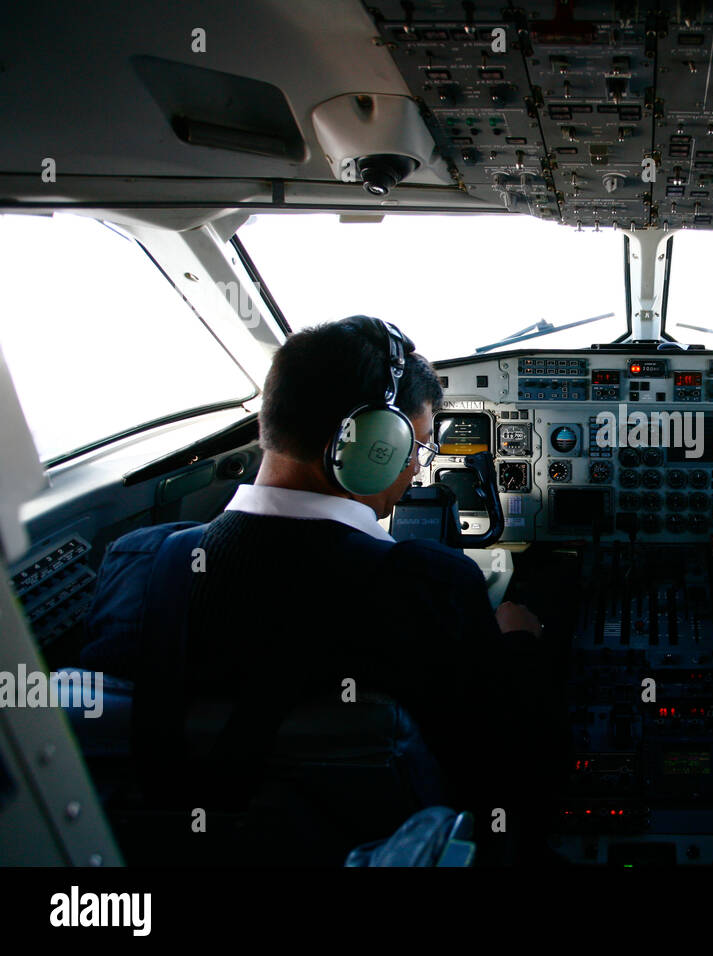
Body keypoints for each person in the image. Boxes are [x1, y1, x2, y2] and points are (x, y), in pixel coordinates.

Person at [81, 315, 552, 862]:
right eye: (414, 448)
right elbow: (508, 770)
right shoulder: (431, 587)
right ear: (374, 443)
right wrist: (518, 647)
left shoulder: (136, 564)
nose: (413, 473)